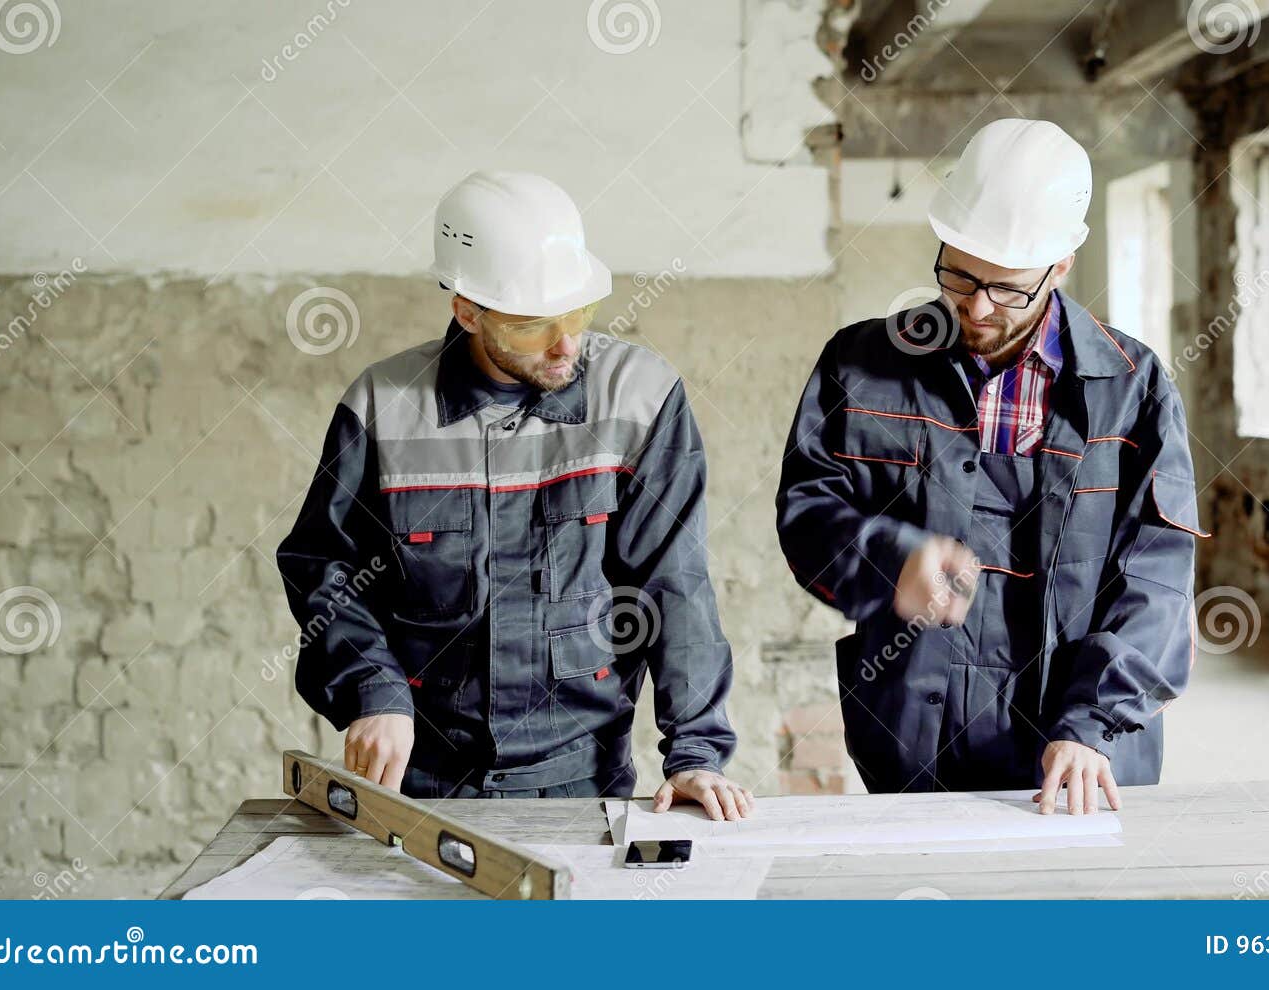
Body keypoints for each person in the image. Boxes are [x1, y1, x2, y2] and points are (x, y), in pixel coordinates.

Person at [278, 171, 753, 820]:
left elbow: (674, 581)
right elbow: (324, 568)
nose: (566, 345)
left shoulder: (639, 397)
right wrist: (373, 688)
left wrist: (696, 752)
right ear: (467, 310)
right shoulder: (383, 408)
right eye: (533, 325)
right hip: (421, 784)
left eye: (578, 313)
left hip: (582, 781)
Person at [775, 119, 1209, 814]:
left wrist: (1095, 724)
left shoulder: (1133, 388)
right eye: (959, 273)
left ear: (1060, 265)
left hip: (1081, 758)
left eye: (1007, 288)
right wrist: (889, 558)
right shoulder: (860, 368)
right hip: (912, 736)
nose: (976, 307)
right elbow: (807, 516)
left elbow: (1157, 577)